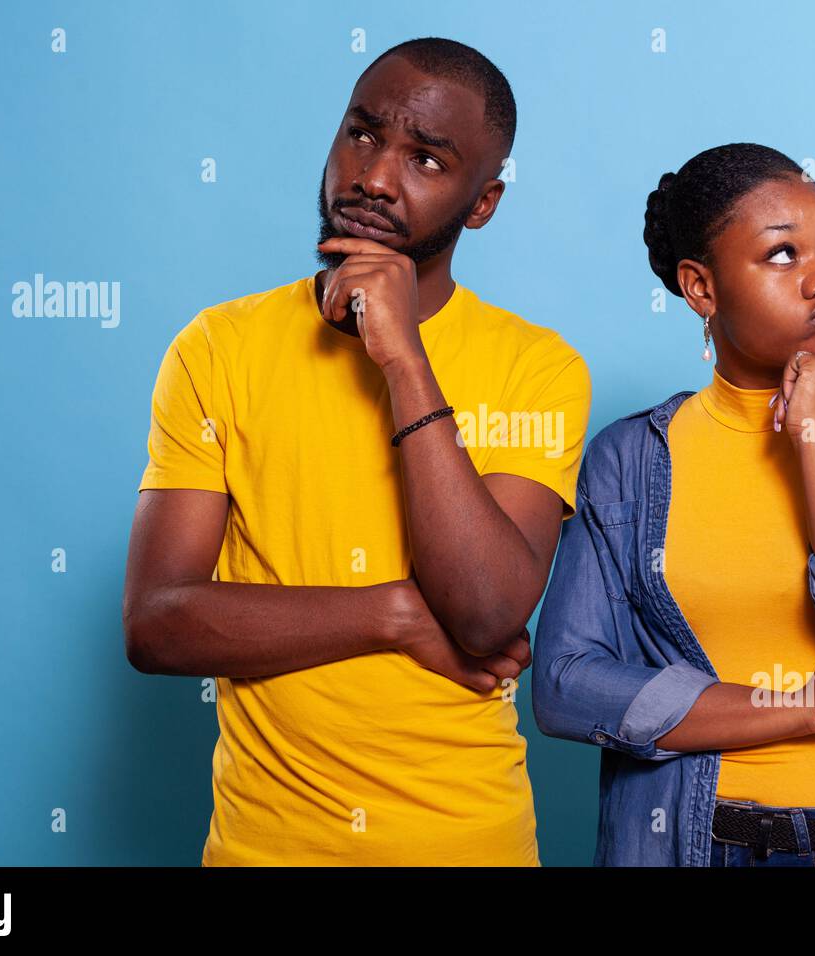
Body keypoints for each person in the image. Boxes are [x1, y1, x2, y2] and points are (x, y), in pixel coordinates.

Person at [122, 37, 590, 866]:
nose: (374, 177)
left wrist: (404, 359)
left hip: (464, 843)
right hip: (261, 850)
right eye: (363, 134)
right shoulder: (218, 347)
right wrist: (395, 615)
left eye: (427, 159)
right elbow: (159, 625)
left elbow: (486, 614)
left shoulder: (539, 368)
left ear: (482, 203)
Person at [531, 143, 815, 867]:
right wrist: (801, 706)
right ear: (700, 288)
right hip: (688, 843)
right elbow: (565, 686)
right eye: (781, 256)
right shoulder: (630, 460)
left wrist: (812, 438)